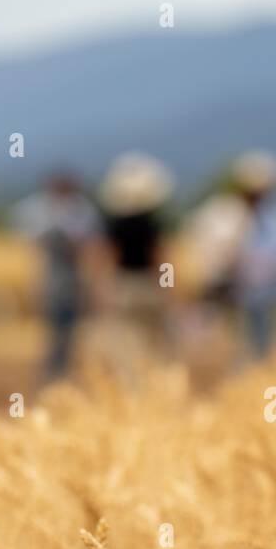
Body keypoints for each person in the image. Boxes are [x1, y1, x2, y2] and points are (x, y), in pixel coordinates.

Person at [10, 172, 101, 382]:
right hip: (54, 280)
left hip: (67, 279)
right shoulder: (43, 211)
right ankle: (56, 373)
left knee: (68, 331)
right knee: (58, 330)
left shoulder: (78, 210)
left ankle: (61, 373)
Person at [96, 152, 176, 381]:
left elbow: (107, 259)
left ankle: (133, 386)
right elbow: (162, 259)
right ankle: (157, 383)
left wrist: (103, 289)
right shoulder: (154, 223)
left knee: (127, 343)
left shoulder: (114, 225)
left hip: (124, 286)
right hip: (150, 285)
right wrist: (169, 288)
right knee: (157, 341)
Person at [230, 151, 276, 361]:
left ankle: (264, 366)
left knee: (267, 335)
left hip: (271, 285)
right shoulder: (235, 212)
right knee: (247, 335)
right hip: (246, 286)